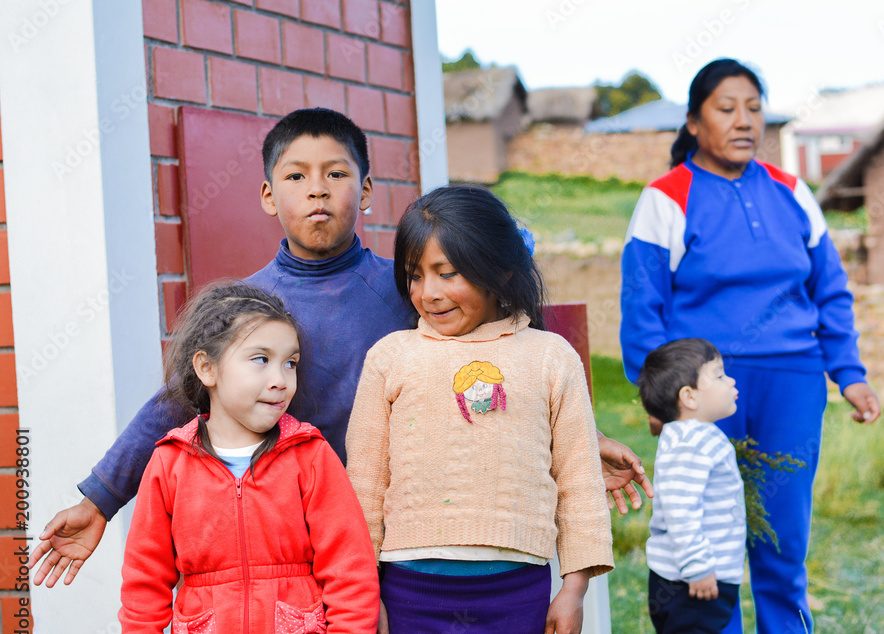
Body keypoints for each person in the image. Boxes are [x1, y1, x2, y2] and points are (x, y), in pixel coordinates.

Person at [29, 108, 650, 587]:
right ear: (270, 196)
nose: (317, 190)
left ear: (368, 189)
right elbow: (175, 404)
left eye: (336, 174)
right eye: (296, 177)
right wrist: (101, 499)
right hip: (292, 534)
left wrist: (579, 440)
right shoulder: (242, 307)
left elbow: (498, 359)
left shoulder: (411, 290)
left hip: (402, 535)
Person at [620, 59, 881, 634]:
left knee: (782, 541)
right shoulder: (665, 198)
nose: (744, 120)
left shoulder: (791, 192)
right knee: (709, 538)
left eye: (754, 107)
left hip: (792, 380)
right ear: (694, 120)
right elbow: (643, 303)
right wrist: (660, 395)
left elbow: (831, 290)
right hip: (704, 389)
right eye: (726, 107)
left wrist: (850, 372)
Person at [346, 185, 614, 634]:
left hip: (519, 596)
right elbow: (364, 486)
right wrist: (364, 596)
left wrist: (574, 590)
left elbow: (579, 480)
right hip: (410, 596)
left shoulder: (551, 358)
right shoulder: (391, 358)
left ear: (501, 269)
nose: (428, 293)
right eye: (414, 275)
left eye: (447, 273)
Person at [118, 282, 379, 634]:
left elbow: (350, 571)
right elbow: (145, 579)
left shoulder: (310, 455)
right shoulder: (170, 463)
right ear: (207, 368)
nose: (281, 379)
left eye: (290, 362)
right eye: (261, 359)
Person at [638, 338, 744, 634]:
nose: (732, 382)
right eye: (720, 375)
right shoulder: (693, 442)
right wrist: (697, 567)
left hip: (685, 579)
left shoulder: (688, 436)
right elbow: (680, 509)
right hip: (691, 584)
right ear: (689, 396)